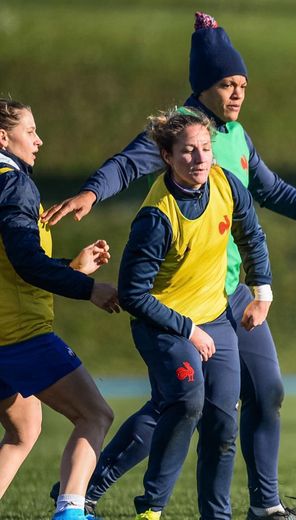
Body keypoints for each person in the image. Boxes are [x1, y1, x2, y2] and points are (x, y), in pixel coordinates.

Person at [43, 12, 296, 520]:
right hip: (181, 300)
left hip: (230, 294)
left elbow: (269, 192)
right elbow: (124, 164)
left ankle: (264, 506)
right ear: (204, 86)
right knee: (180, 402)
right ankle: (87, 487)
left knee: (265, 392)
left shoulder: (237, 136)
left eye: (243, 84)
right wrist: (93, 192)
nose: (238, 93)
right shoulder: (180, 133)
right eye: (228, 83)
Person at [119, 108, 271, 519]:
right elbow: (132, 293)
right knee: (186, 402)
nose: (201, 158)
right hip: (164, 322)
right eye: (188, 151)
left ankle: (215, 517)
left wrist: (263, 292)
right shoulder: (156, 216)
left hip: (215, 319)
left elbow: (252, 233)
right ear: (167, 156)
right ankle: (150, 507)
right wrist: (188, 328)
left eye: (206, 149)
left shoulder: (224, 183)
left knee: (223, 426)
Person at [0, 98, 119, 519]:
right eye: (30, 131)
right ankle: (70, 512)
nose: (39, 140)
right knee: (95, 414)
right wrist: (88, 288)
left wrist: (71, 267)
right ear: (3, 137)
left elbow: (11, 259)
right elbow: (26, 263)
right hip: (20, 336)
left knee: (23, 429)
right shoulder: (13, 185)